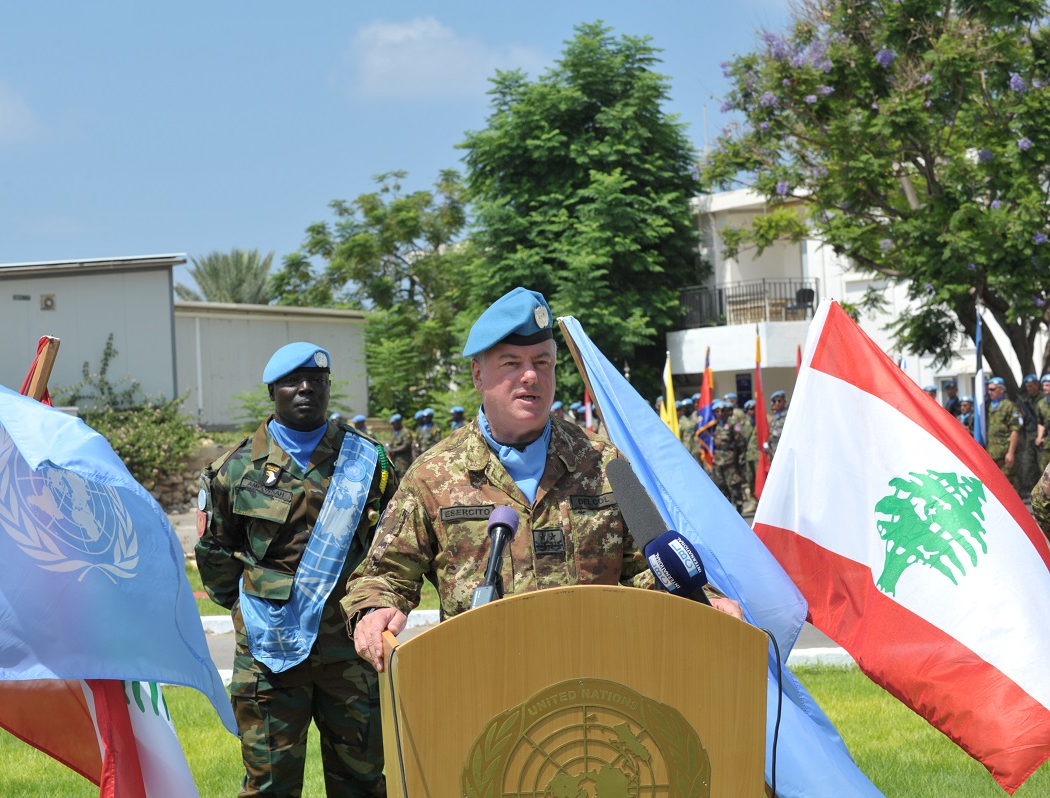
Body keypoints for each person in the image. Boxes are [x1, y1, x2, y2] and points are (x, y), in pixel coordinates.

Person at [340, 287, 743, 672]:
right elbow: (384, 573)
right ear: (478, 375)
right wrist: (374, 609)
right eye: (512, 364)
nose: (531, 376)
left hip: (599, 678)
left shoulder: (603, 463)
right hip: (481, 684)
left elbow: (648, 564)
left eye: (542, 362)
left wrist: (703, 600)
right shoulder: (434, 474)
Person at [195, 342, 394, 798]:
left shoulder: (369, 461)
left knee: (362, 782)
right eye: (292, 382)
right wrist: (259, 610)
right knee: (269, 784)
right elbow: (216, 557)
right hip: (269, 654)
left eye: (317, 381)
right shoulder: (235, 469)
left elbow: (391, 542)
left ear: (328, 387)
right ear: (273, 391)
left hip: (351, 651)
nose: (306, 389)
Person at [711, 401, 754, 514]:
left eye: (722, 410)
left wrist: (740, 459)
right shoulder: (714, 425)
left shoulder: (733, 424)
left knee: (734, 486)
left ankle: (738, 508)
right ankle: (727, 510)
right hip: (718, 461)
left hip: (730, 462)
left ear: (727, 412)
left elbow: (741, 443)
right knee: (721, 486)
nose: (720, 413)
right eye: (717, 411)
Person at [985, 377, 1022, 493]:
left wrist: (1011, 453)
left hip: (1004, 453)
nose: (989, 392)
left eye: (993, 389)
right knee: (995, 488)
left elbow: (1015, 430)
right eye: (989, 389)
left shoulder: (1009, 406)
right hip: (991, 453)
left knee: (1010, 487)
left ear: (1001, 390)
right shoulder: (988, 406)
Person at [1017, 374, 1042, 497]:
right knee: (1029, 462)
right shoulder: (1026, 400)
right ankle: (1034, 490)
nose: (1029, 389)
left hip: (1043, 436)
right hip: (1030, 434)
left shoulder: (1043, 399)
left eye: (1031, 386)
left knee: (1042, 463)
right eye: (1027, 386)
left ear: (1037, 385)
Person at [385, 413, 414, 478]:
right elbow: (389, 444)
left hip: (403, 462)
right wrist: (388, 448)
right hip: (394, 461)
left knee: (403, 479)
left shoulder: (406, 432)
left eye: (394, 423)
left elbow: (406, 446)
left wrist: (393, 450)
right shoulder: (394, 433)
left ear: (399, 422)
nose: (392, 425)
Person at [764, 390, 788, 464]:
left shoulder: (788, 415)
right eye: (774, 401)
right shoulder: (775, 418)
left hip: (784, 452)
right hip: (774, 453)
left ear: (784, 401)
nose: (776, 403)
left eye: (779, 401)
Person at [1038, 376, 1050, 476]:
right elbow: (1040, 422)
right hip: (1046, 443)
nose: (1044, 387)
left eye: (1047, 385)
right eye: (1043, 385)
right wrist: (1039, 436)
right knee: (1045, 472)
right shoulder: (1041, 404)